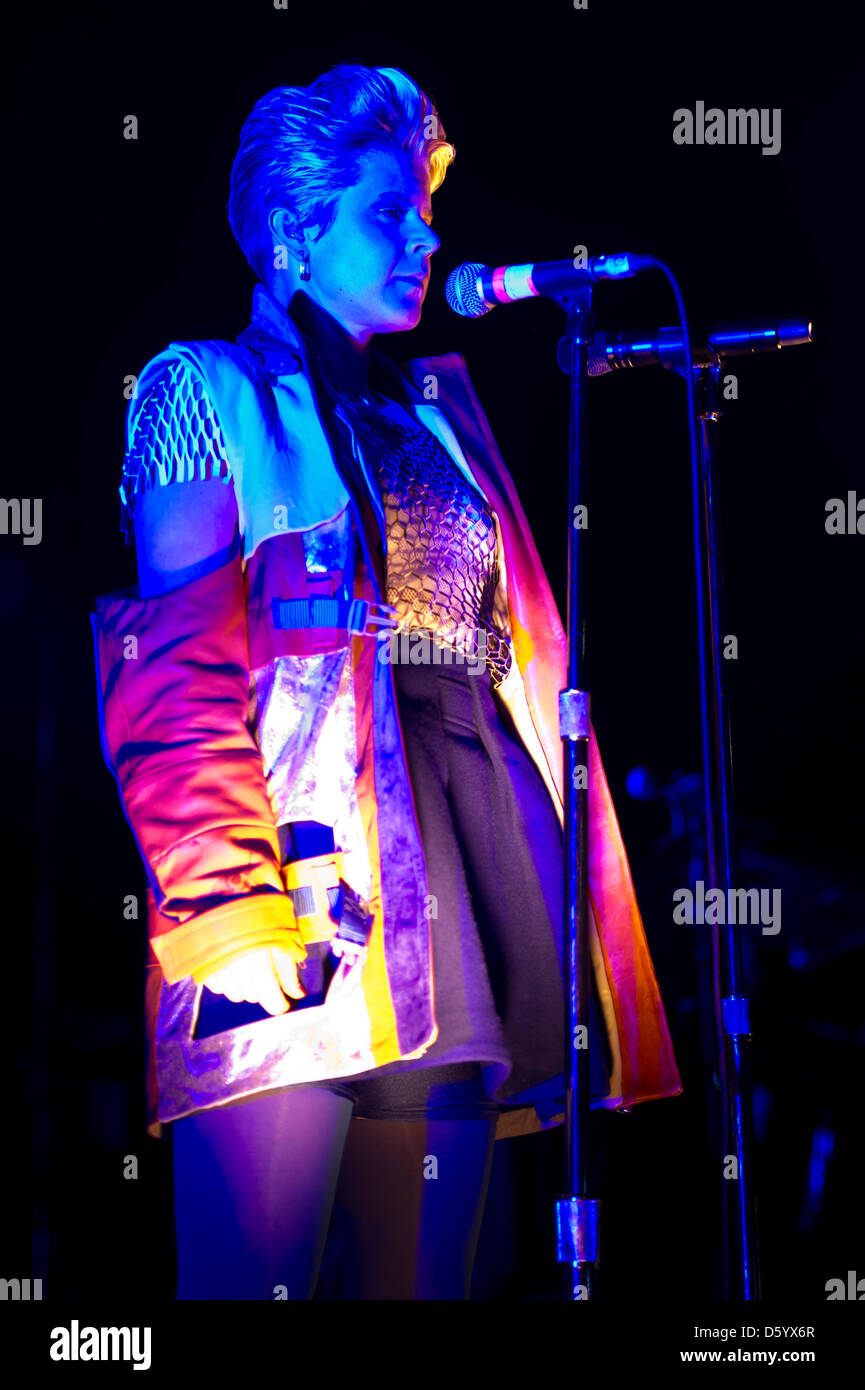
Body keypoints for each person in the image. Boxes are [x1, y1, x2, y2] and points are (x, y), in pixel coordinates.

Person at [91, 62, 682, 1300]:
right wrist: (229, 910)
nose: (427, 235)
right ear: (296, 232)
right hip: (302, 885)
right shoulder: (204, 391)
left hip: (461, 863)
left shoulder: (442, 419)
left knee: (437, 1283)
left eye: (426, 209)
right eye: (389, 212)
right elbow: (171, 675)